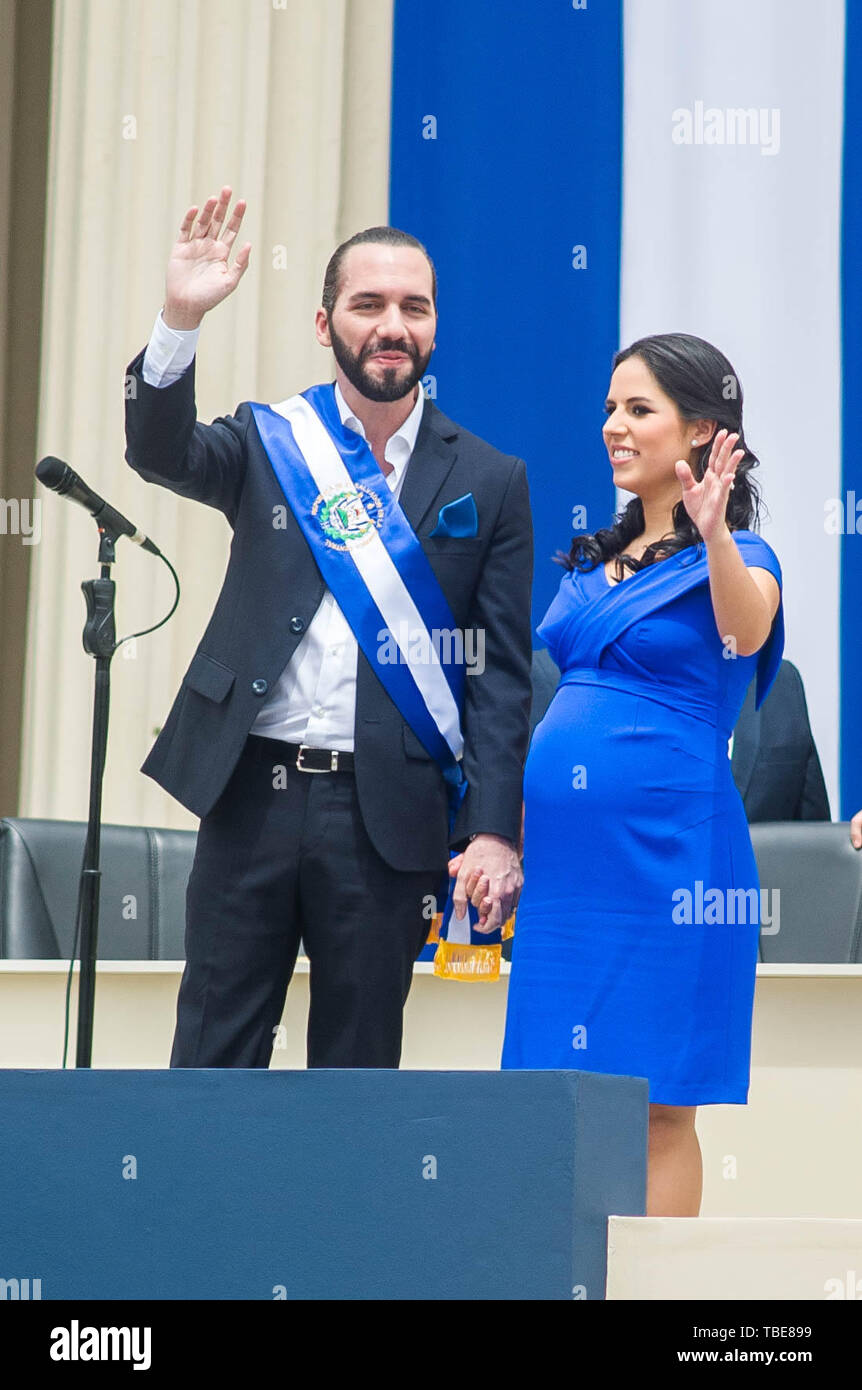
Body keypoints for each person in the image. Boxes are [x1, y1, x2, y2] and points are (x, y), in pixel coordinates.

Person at [124, 187, 533, 1069]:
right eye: (369, 304)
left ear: (433, 326)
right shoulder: (272, 442)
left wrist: (495, 830)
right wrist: (180, 320)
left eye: (413, 308)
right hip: (249, 793)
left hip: (387, 813)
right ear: (325, 323)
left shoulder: (492, 480)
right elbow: (160, 453)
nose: (393, 325)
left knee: (356, 1073)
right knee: (213, 1054)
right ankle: (208, 1212)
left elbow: (499, 677)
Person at [489, 333, 783, 1217]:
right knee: (555, 1103)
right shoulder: (589, 562)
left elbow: (747, 633)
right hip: (571, 882)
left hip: (673, 866)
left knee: (658, 1110)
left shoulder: (743, 557)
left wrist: (714, 535)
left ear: (701, 432)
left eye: (638, 409)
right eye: (610, 408)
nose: (613, 425)